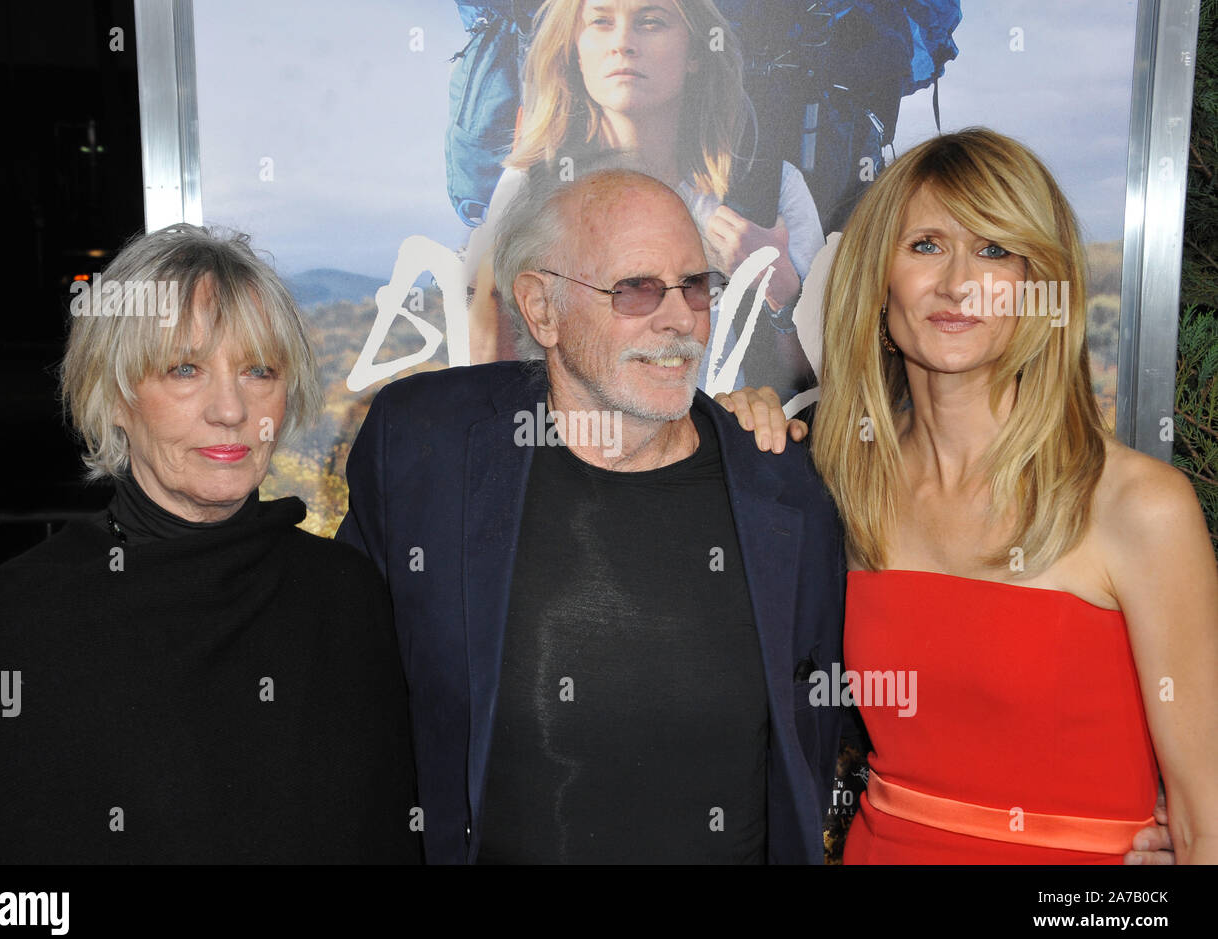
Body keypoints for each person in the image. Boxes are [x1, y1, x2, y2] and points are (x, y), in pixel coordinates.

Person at [336, 168, 846, 864]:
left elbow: (819, 739)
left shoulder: (785, 489)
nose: (678, 318)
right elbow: (344, 698)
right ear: (541, 308)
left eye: (695, 285)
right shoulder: (426, 446)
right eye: (636, 288)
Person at [0, 225, 420, 864]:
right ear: (117, 397)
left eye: (258, 371)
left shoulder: (346, 595)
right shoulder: (28, 614)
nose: (231, 410)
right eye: (185, 370)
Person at [794, 128, 1217, 863]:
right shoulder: (839, 481)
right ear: (878, 278)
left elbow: (1207, 818)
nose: (958, 282)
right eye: (926, 244)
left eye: (994, 250)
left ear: (1039, 286)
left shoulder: (1139, 507)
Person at [464, 0, 825, 399]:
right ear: (575, 53)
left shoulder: (770, 187)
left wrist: (785, 295)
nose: (622, 42)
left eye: (651, 23)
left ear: (695, 54)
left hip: (726, 452)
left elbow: (819, 387)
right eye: (601, 21)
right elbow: (491, 369)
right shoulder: (530, 186)